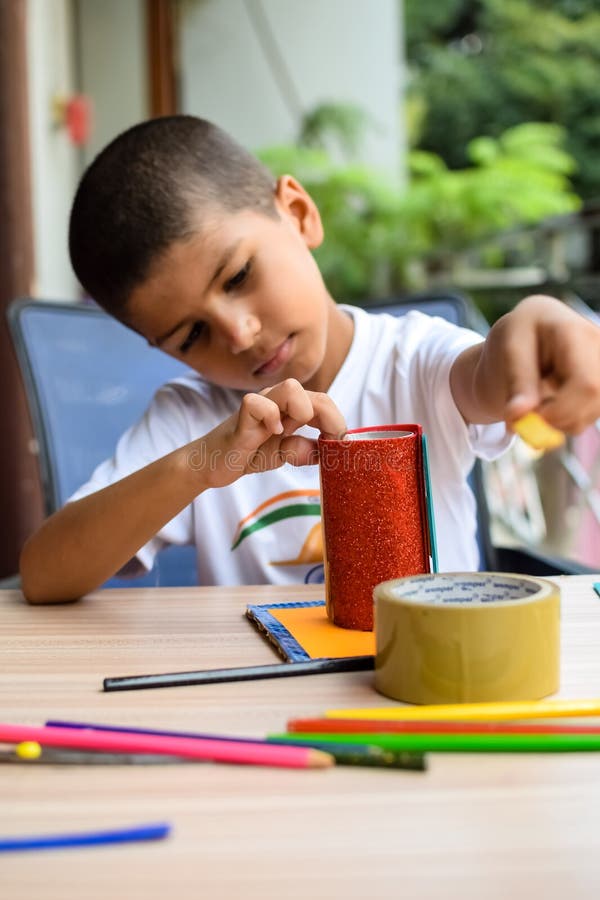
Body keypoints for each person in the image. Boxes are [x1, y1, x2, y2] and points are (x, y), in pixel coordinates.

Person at [20, 115, 600, 604]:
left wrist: (537, 320)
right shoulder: (190, 422)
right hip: (268, 697)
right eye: (192, 335)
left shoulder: (416, 360)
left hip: (434, 678)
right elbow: (44, 576)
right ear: (162, 348)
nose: (239, 333)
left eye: (239, 276)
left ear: (298, 213)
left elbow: (487, 373)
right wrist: (200, 465)